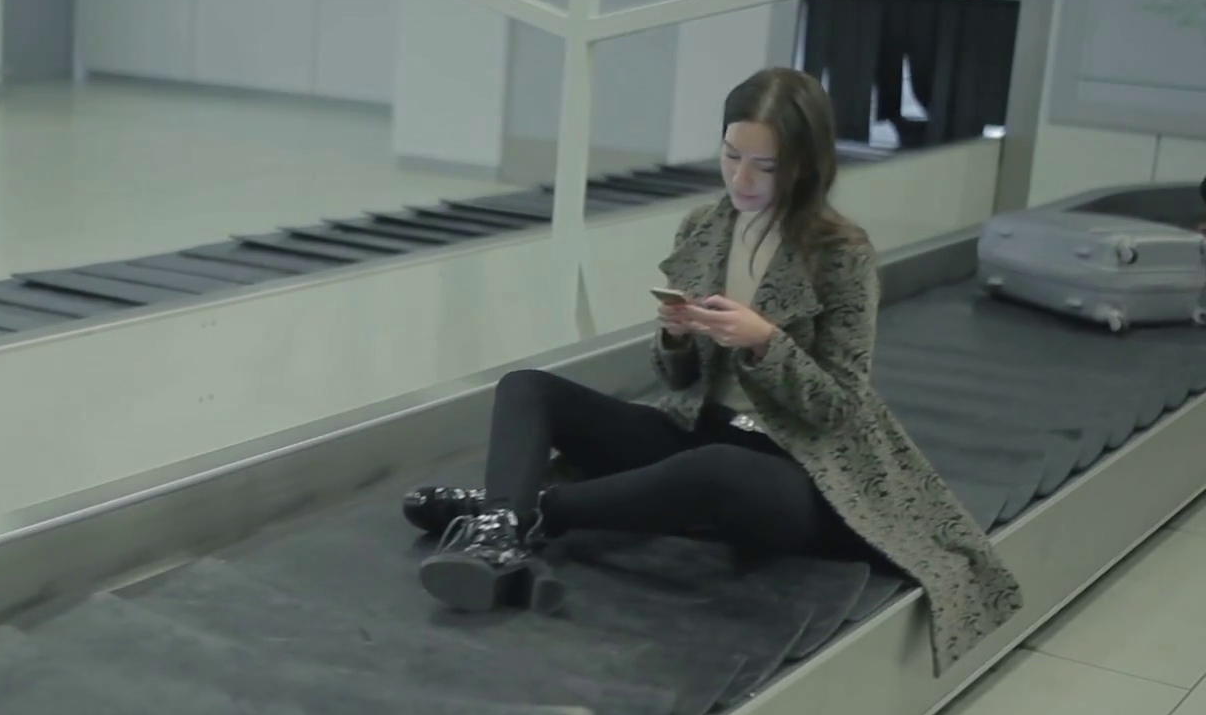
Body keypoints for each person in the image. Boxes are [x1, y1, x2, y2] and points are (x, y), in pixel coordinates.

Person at [405, 66, 1023, 674]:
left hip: (795, 467)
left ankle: (527, 508)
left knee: (717, 470)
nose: (741, 178)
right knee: (527, 388)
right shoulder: (704, 229)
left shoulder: (842, 254)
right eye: (731, 156)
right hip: (698, 428)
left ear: (804, 165)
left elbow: (839, 404)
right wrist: (675, 337)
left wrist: (765, 343)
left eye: (765, 165)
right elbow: (676, 382)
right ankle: (500, 530)